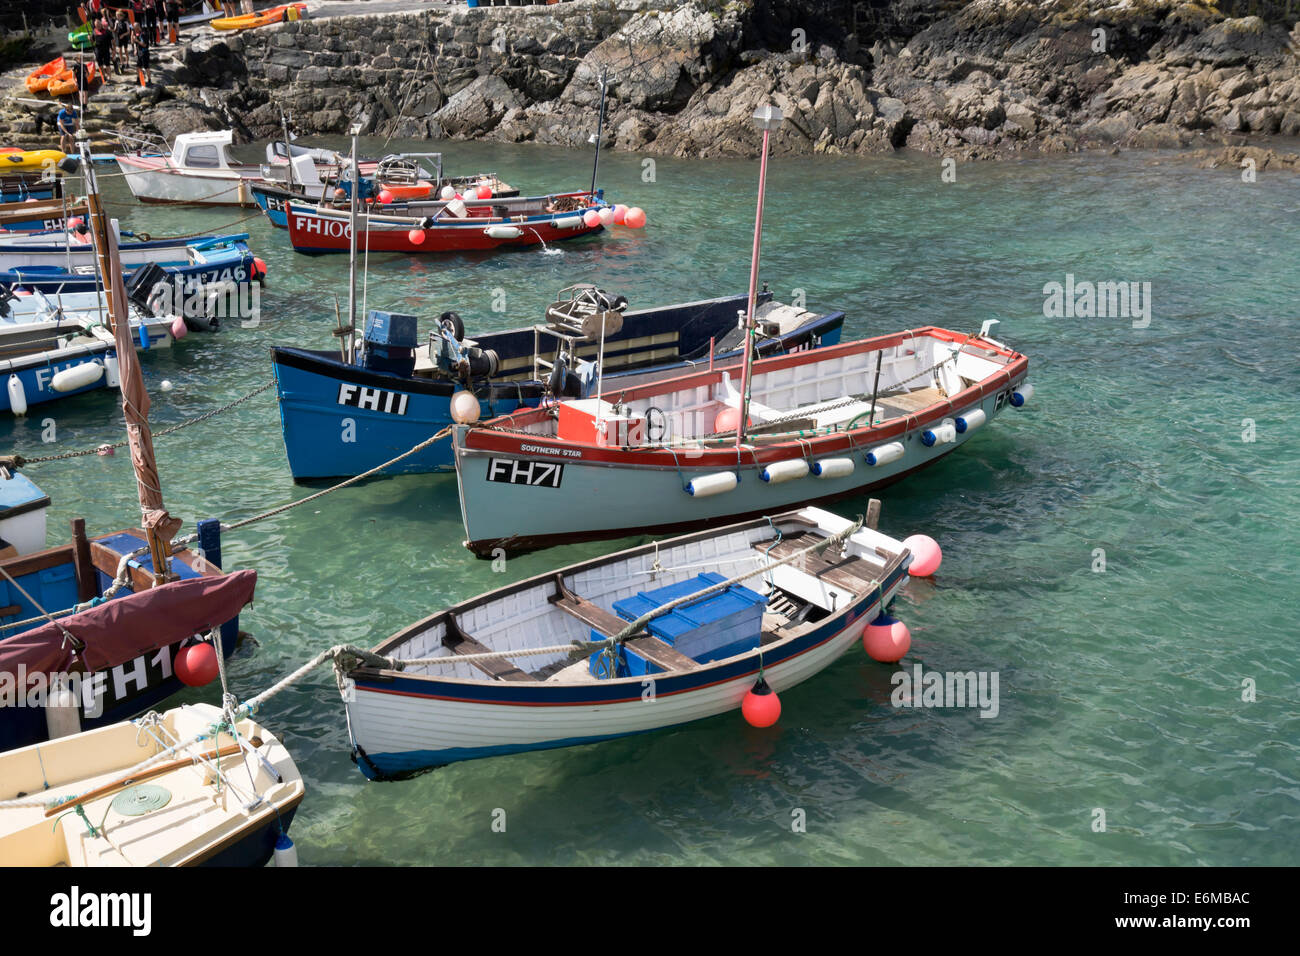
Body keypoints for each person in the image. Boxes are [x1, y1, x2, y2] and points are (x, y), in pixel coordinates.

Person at [93, 11, 114, 78]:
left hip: (106, 49)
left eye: (99, 24)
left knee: (107, 64)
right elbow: (92, 42)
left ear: (101, 24)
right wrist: (89, 38)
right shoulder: (94, 32)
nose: (98, 26)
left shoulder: (107, 31)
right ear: (95, 25)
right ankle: (103, 76)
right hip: (98, 50)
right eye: (96, 25)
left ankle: (109, 76)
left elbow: (112, 41)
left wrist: (113, 50)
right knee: (100, 64)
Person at [133, 20, 152, 86]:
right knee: (138, 67)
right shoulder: (137, 34)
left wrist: (137, 41)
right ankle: (139, 79)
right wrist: (135, 50)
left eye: (135, 29)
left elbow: (144, 45)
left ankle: (149, 80)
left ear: (138, 28)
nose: (134, 31)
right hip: (139, 52)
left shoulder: (143, 34)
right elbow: (136, 44)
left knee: (146, 67)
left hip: (145, 52)